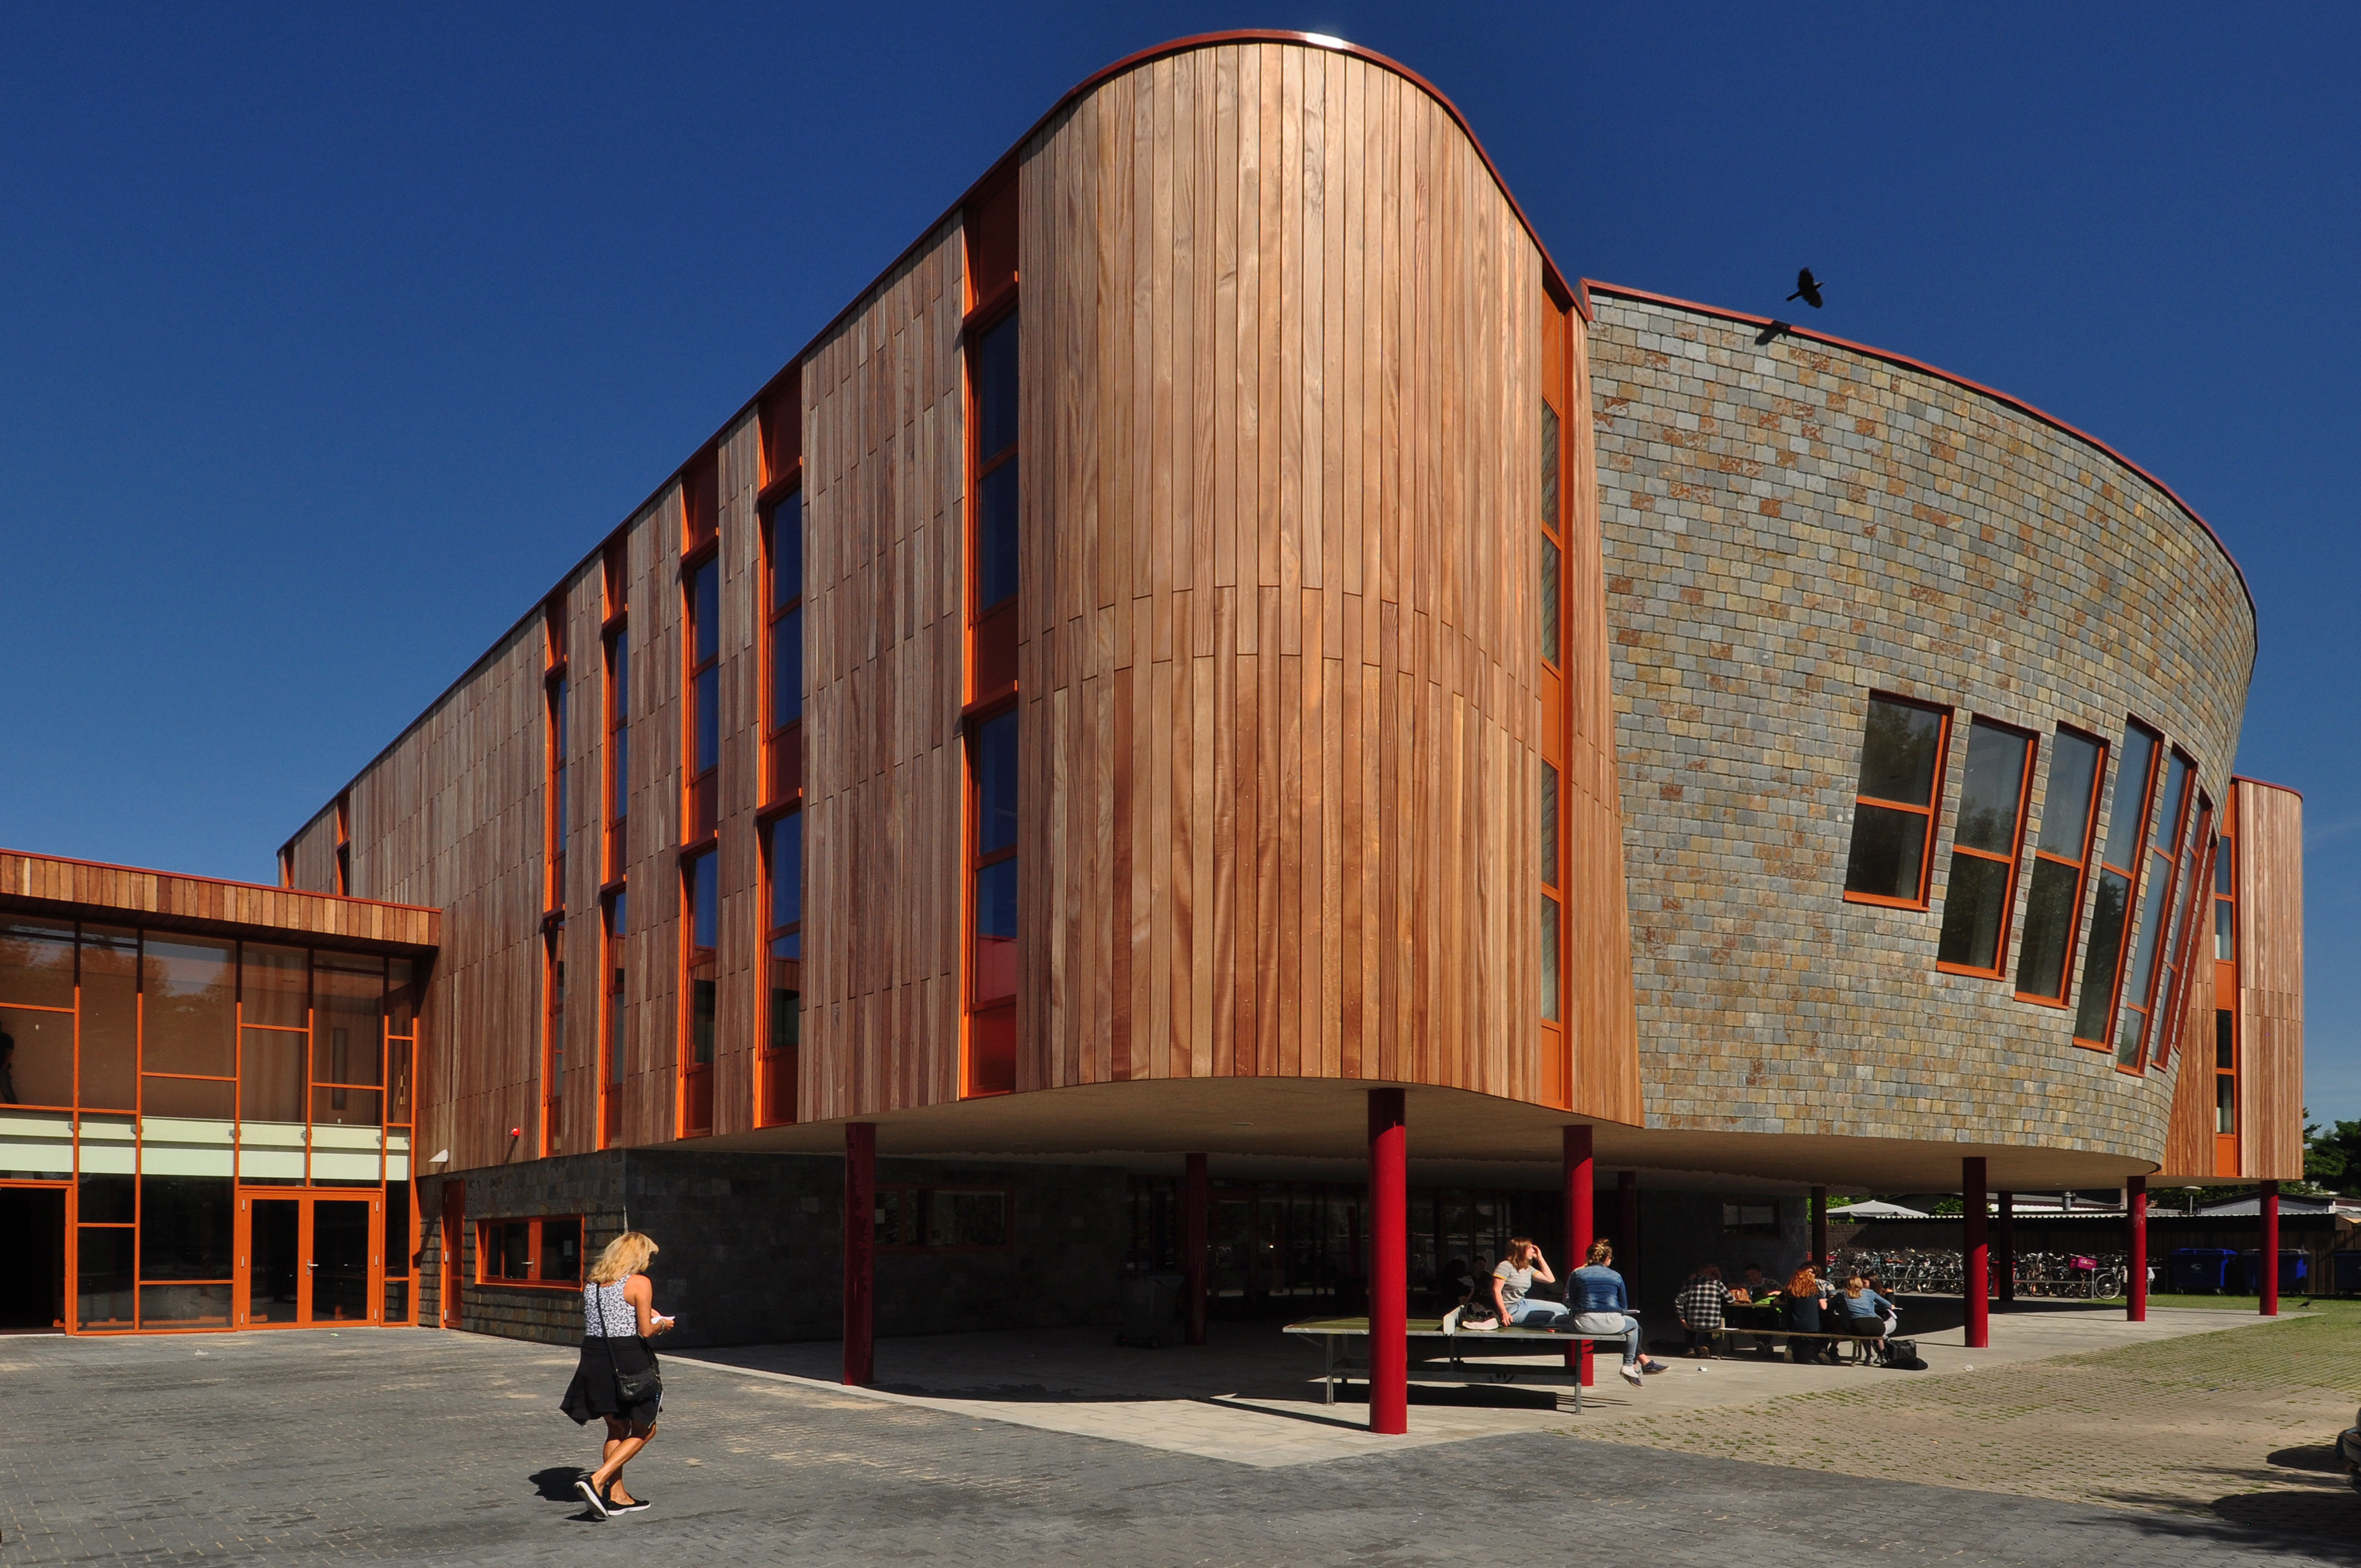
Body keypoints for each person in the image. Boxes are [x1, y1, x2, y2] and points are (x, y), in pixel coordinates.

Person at [561, 1231, 676, 1517]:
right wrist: (663, 1325)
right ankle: (597, 1480)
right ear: (638, 1256)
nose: (650, 1262)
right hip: (628, 1359)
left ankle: (617, 1496)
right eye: (649, 1256)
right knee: (646, 1428)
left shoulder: (593, 1284)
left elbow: (612, 1316)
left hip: (594, 1358)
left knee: (616, 1428)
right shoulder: (639, 1282)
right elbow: (645, 1330)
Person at [1565, 1239, 1669, 1386]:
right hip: (1613, 1324)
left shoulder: (1578, 1274)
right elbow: (1623, 1306)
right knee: (1634, 1326)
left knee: (1559, 1320)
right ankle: (1629, 1365)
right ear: (1607, 1259)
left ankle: (1640, 1365)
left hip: (1584, 1323)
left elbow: (1572, 1302)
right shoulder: (1616, 1276)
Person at [1490, 1237, 1568, 1329]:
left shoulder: (1528, 1268)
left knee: (1563, 1309)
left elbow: (1550, 1279)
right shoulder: (1505, 1266)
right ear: (1521, 1250)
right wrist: (1504, 1313)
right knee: (1561, 1317)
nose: (1533, 1251)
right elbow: (1496, 1290)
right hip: (1511, 1310)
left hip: (1523, 1303)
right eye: (1530, 1248)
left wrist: (1540, 1258)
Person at [1833, 1273, 1895, 1360]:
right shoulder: (1870, 1293)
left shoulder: (1843, 1294)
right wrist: (1872, 1306)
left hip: (1858, 1324)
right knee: (1874, 1333)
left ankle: (1869, 1356)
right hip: (1878, 1324)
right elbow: (1888, 1305)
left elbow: (1829, 1304)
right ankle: (1883, 1356)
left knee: (1863, 1331)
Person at [1675, 1263, 1731, 1357]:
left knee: (1690, 1324)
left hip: (1692, 1322)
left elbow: (1679, 1301)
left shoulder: (1688, 1284)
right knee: (1715, 1326)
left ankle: (1691, 1347)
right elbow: (1731, 1300)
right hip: (1713, 1322)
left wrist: (1682, 1318)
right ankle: (1707, 1345)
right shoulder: (1718, 1284)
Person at [1785, 1264, 1835, 1364]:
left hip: (1793, 1323)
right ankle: (1822, 1350)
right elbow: (1824, 1307)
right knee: (1824, 1327)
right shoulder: (1816, 1287)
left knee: (1796, 1330)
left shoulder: (1792, 1287)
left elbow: (1777, 1301)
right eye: (1810, 1272)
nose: (1812, 1275)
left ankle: (1790, 1348)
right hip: (1812, 1323)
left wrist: (1791, 1302)